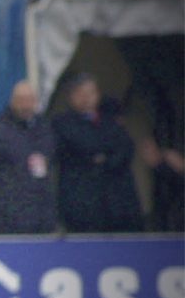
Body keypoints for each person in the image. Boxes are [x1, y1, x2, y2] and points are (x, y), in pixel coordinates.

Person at [53, 73, 143, 233]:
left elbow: (125, 149)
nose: (87, 98)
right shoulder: (62, 123)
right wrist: (101, 151)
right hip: (82, 204)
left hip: (115, 204)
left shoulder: (111, 121)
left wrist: (105, 158)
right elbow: (81, 145)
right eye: (81, 93)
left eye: (91, 93)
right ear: (72, 96)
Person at [0, 80, 58, 235]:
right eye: (21, 100)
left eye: (30, 100)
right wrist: (2, 201)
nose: (26, 105)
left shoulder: (44, 130)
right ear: (13, 102)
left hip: (41, 219)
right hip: (6, 221)